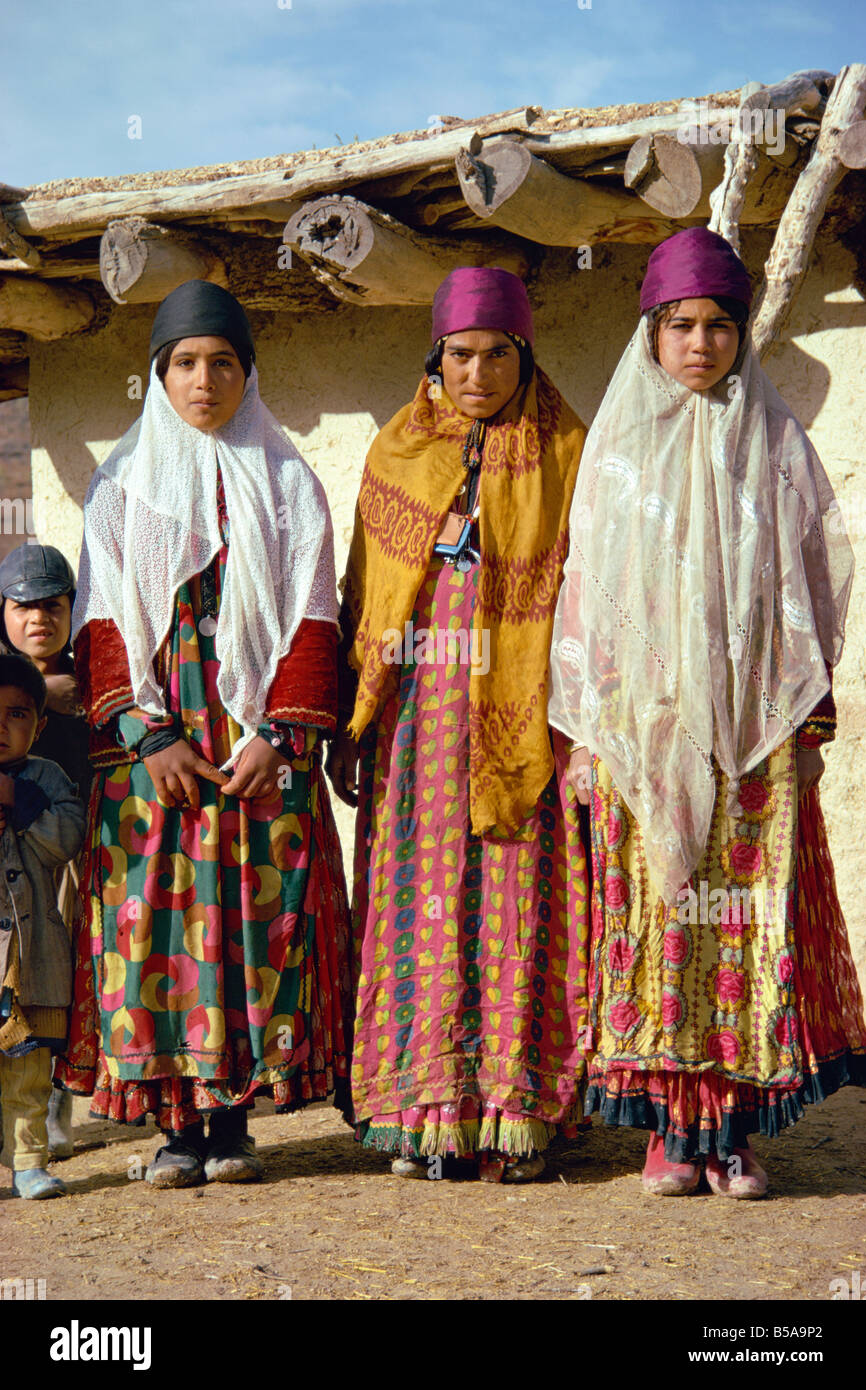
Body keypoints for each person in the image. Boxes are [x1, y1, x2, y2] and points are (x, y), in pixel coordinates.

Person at [549, 227, 866, 1198]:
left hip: (754, 738)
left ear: (742, 336)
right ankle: (666, 1137)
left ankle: (730, 1134)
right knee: (657, 927)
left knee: (739, 929)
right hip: (643, 737)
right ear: (651, 334)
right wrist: (589, 735)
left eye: (720, 325)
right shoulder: (616, 456)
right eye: (680, 325)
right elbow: (588, 604)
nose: (700, 344)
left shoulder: (776, 444)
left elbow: (813, 591)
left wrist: (809, 728)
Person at [55, 280, 353, 1188]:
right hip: (162, 742)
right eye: (185, 362)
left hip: (256, 748)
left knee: (253, 924)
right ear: (158, 375)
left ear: (247, 374)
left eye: (223, 362)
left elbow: (313, 617)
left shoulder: (288, 482)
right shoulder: (120, 488)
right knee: (163, 925)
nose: (204, 379)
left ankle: (234, 1128)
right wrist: (147, 735)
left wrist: (276, 734)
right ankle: (179, 1128)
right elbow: (102, 622)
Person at [328, 266, 590, 1181]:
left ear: (524, 357)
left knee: (521, 904)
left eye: (496, 355)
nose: (476, 373)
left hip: (526, 718)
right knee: (417, 900)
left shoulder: (569, 452)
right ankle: (419, 1112)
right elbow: (366, 598)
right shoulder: (393, 455)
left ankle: (522, 1114)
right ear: (433, 361)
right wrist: (349, 724)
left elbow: (590, 598)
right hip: (415, 723)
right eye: (459, 355)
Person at [0, 543, 92, 1159]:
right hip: (16, 860)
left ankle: (61, 1089)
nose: (39, 620)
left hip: (77, 829)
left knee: (70, 958)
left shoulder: (93, 670)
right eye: (23, 606)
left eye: (53, 606)